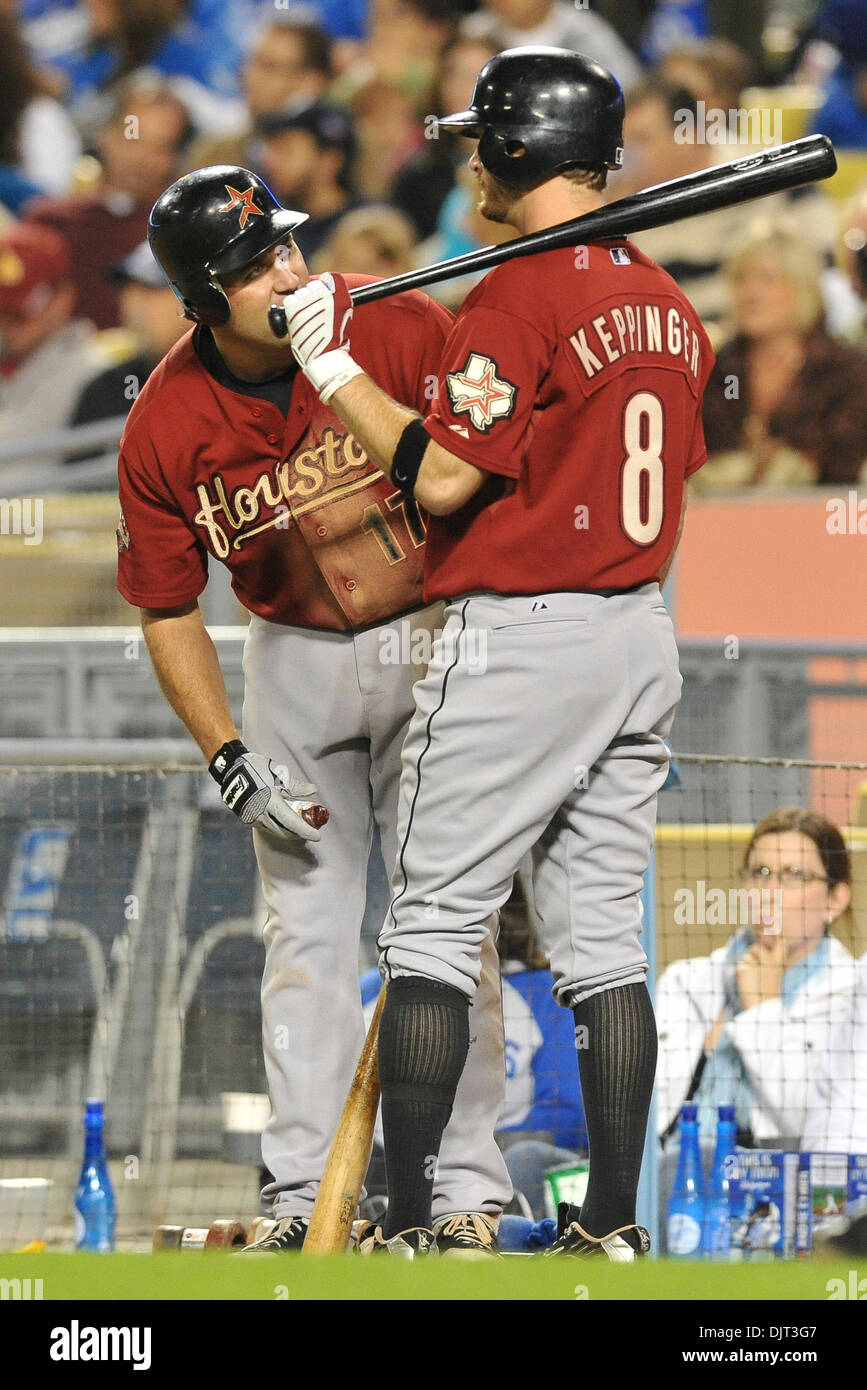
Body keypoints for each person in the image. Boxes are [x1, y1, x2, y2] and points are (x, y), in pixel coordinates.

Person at [279, 45, 714, 1260]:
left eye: (482, 138)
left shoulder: (519, 294)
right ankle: (615, 1227)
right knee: (602, 950)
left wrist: (332, 367)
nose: (469, 155)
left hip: (523, 632)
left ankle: (413, 1224)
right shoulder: (672, 307)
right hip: (638, 632)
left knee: (428, 931)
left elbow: (452, 475)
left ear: (519, 147)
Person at [117, 163, 512, 1254]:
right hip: (290, 653)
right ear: (204, 300)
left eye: (285, 244)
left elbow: (482, 469)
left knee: (451, 928)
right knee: (306, 934)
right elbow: (164, 608)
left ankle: (468, 1190)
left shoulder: (390, 321)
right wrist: (229, 753)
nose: (286, 270)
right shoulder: (161, 421)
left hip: (433, 627)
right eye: (251, 266)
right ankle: (300, 1194)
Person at [657, 807, 859, 1179]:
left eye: (794, 876)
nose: (769, 893)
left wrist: (762, 1008)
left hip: (782, 1191)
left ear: (834, 900)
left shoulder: (853, 997)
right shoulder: (686, 982)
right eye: (760, 873)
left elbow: (819, 1126)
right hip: (663, 1179)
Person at [698, 221, 867, 490]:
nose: (750, 293)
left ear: (801, 285)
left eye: (766, 278)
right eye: (741, 279)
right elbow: (708, 452)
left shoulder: (846, 371)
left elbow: (842, 466)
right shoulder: (723, 371)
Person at [25, 75, 192, 329]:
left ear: (175, 158)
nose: (142, 158)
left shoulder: (181, 233)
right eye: (133, 139)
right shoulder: (51, 220)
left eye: (160, 147)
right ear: (105, 135)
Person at [0, 221, 104, 470]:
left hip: (35, 505)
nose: (6, 324)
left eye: (19, 313)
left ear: (63, 298)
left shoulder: (89, 373)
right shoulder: (10, 356)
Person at [69, 240, 188, 437]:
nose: (133, 307)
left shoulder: (239, 372)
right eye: (128, 292)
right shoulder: (109, 388)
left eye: (149, 291)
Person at [257, 99, 363, 263]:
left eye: (286, 150)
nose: (270, 162)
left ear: (329, 160)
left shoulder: (369, 226)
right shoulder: (270, 228)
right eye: (270, 149)